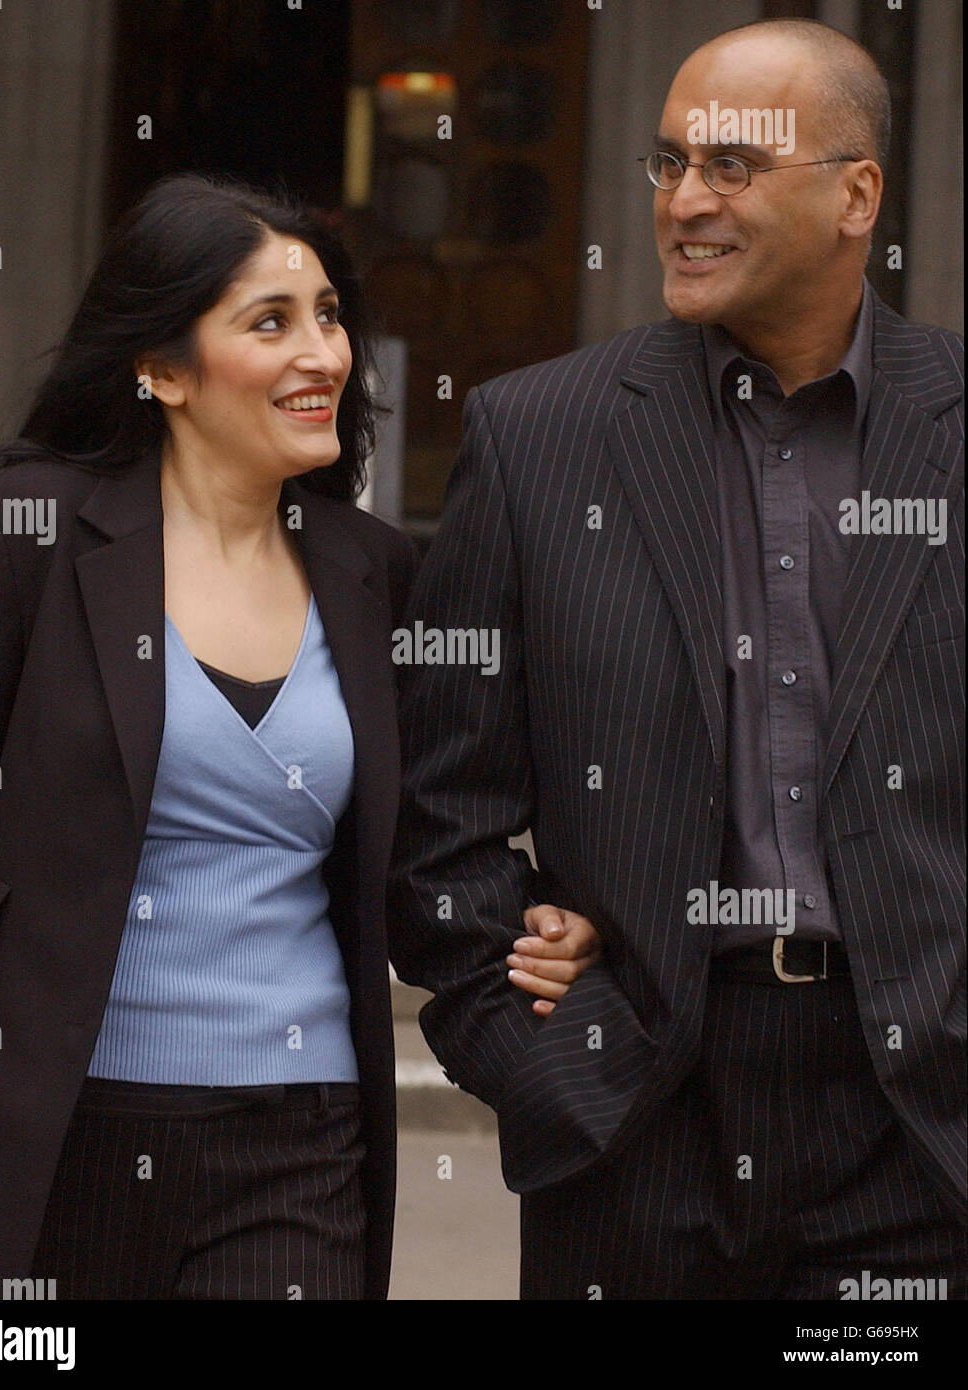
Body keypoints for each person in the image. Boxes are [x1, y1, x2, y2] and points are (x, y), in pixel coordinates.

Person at [0, 172, 596, 1301]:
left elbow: (435, 837)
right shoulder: (17, 533)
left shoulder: (376, 575)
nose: (324, 353)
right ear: (162, 366)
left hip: (299, 1139)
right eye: (271, 321)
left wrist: (538, 923)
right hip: (47, 1123)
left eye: (330, 316)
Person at [388, 19, 965, 1300]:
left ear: (856, 194)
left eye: (731, 165)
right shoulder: (537, 437)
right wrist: (555, 1062)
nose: (685, 201)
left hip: (920, 1143)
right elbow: (445, 821)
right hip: (640, 1120)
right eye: (667, 165)